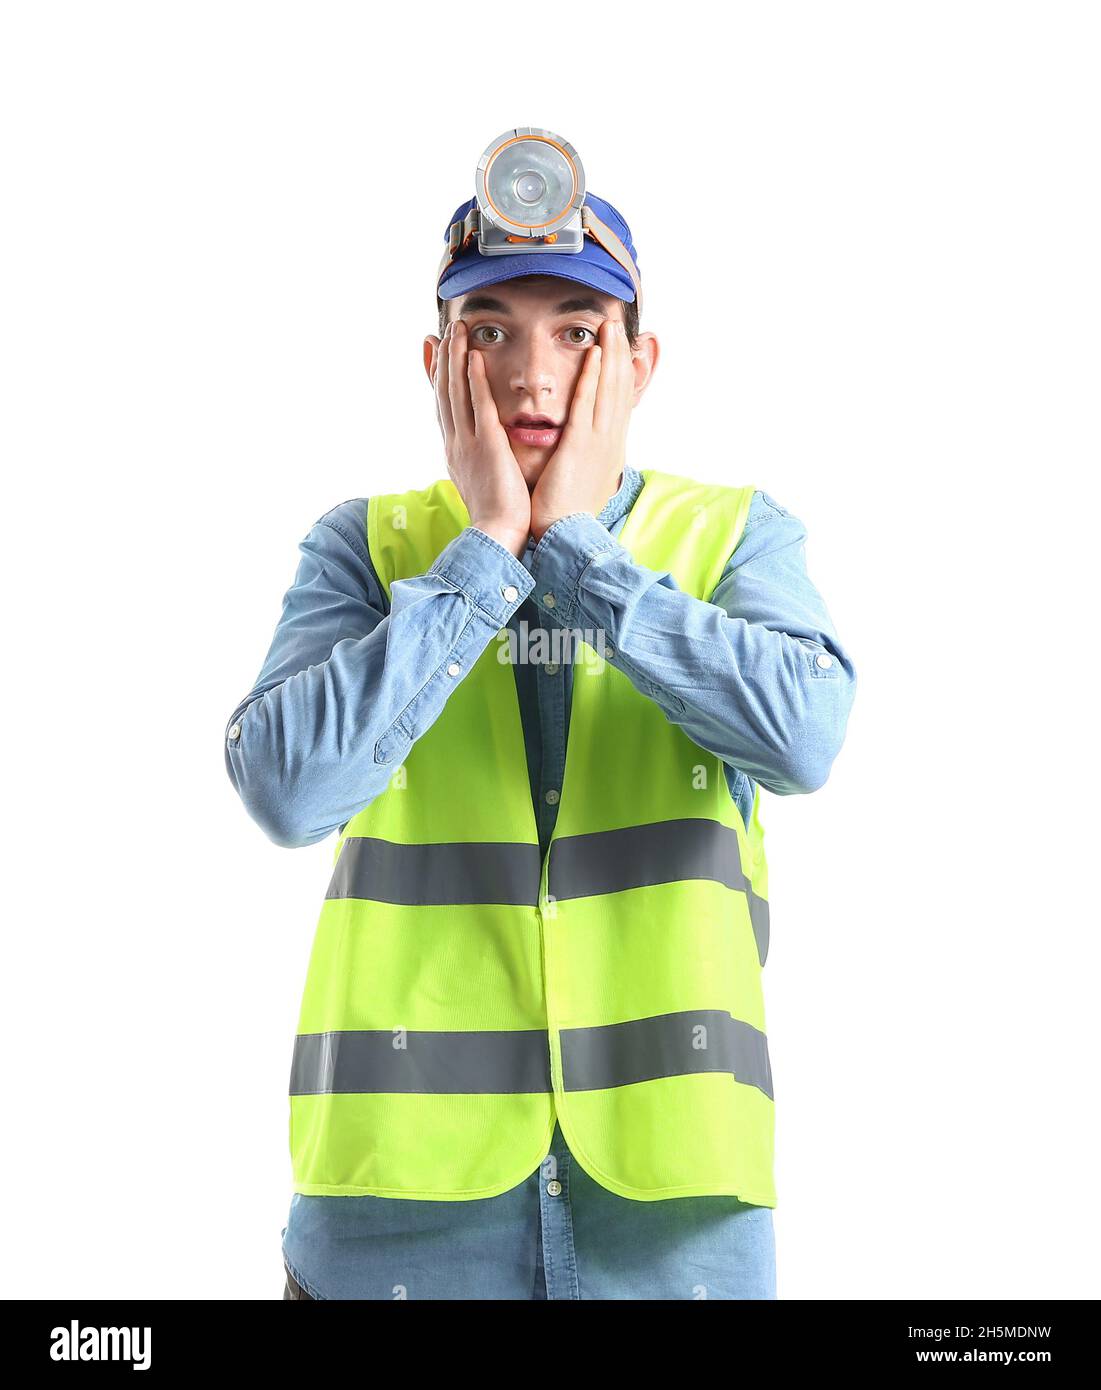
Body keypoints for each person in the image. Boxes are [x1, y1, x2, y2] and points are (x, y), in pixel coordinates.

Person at [224, 186, 857, 1301]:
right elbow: (284, 787)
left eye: (576, 330)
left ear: (640, 362)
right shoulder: (366, 552)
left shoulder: (734, 539)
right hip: (393, 1230)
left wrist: (577, 554)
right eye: (490, 332)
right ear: (437, 364)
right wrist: (484, 554)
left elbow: (803, 739)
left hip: (673, 1239)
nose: (531, 375)